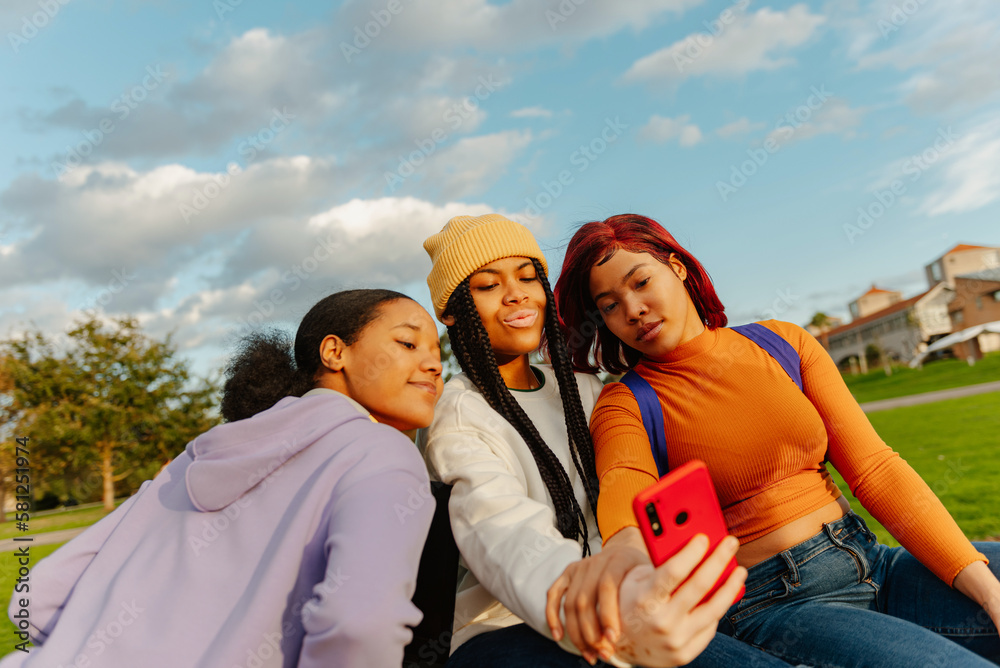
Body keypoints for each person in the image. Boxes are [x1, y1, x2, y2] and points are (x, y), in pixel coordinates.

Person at [553, 213, 1000, 667]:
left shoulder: (782, 343)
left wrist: (987, 590)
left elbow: (875, 469)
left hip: (874, 559)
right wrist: (627, 546)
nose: (633, 310)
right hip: (777, 604)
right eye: (609, 305)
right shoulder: (625, 402)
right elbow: (624, 483)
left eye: (641, 281)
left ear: (678, 268)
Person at [421, 213, 792, 667]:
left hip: (632, 595)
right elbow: (500, 529)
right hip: (517, 625)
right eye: (487, 285)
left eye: (526, 277)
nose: (516, 293)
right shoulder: (459, 413)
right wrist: (594, 603)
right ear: (451, 310)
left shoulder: (586, 389)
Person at [2, 289, 443, 668]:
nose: (434, 365)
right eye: (408, 343)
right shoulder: (381, 454)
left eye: (436, 352)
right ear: (334, 352)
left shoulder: (198, 453)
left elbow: (40, 593)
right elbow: (359, 625)